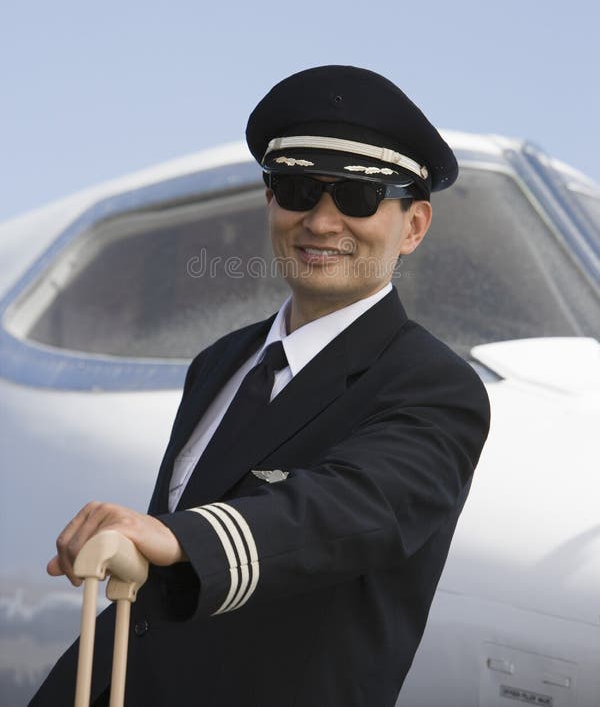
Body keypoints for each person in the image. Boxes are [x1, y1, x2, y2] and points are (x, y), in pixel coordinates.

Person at [30, 65, 490, 707]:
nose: (323, 223)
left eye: (358, 198)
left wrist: (180, 537)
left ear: (413, 227)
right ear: (270, 201)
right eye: (299, 189)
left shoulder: (435, 387)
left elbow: (353, 508)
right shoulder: (220, 362)